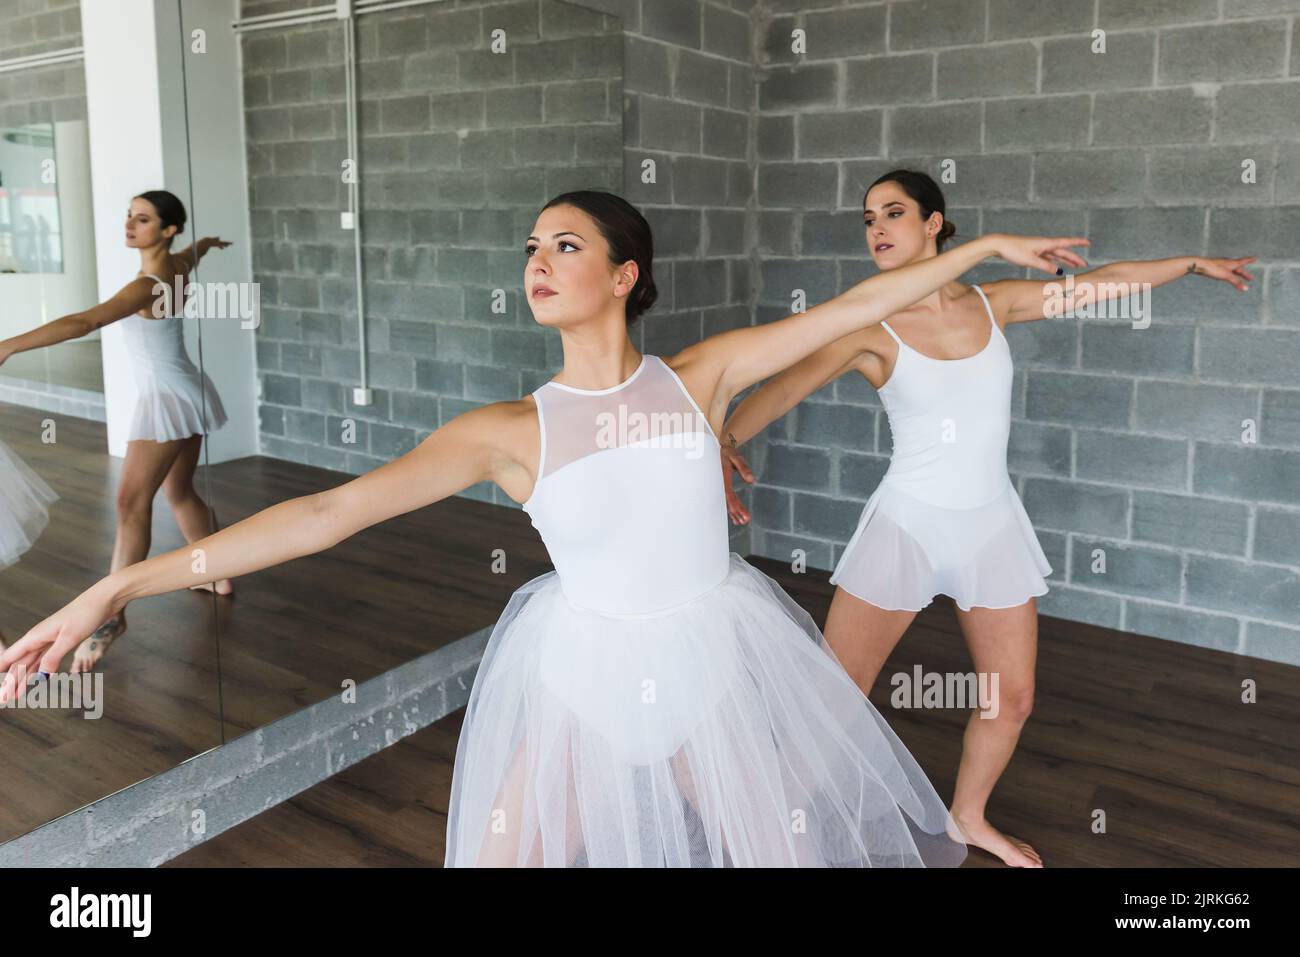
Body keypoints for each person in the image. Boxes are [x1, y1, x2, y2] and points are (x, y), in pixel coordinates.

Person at [0, 190, 1087, 866]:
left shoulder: (701, 379)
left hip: (716, 659)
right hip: (580, 676)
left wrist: (983, 243)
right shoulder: (508, 430)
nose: (538, 259)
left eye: (565, 245)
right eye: (532, 245)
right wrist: (114, 588)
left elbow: (855, 309)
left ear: (622, 275)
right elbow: (325, 514)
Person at [719, 169, 1255, 867]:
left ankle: (968, 816)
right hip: (907, 527)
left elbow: (1102, 282)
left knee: (1014, 697)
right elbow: (779, 388)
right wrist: (720, 446)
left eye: (894, 213)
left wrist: (1188, 263)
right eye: (868, 219)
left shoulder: (992, 303)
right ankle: (768, 826)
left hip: (991, 524)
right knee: (836, 699)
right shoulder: (867, 328)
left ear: (935, 223)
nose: (876, 228)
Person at [0, 190, 234, 672]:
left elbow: (84, 321)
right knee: (181, 492)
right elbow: (193, 254)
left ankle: (111, 617)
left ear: (167, 228)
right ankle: (219, 574)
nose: (130, 224)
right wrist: (205, 244)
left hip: (167, 400)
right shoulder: (179, 264)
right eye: (129, 215)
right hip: (188, 388)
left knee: (130, 503)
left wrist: (7, 345)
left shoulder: (148, 284)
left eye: (143, 219)